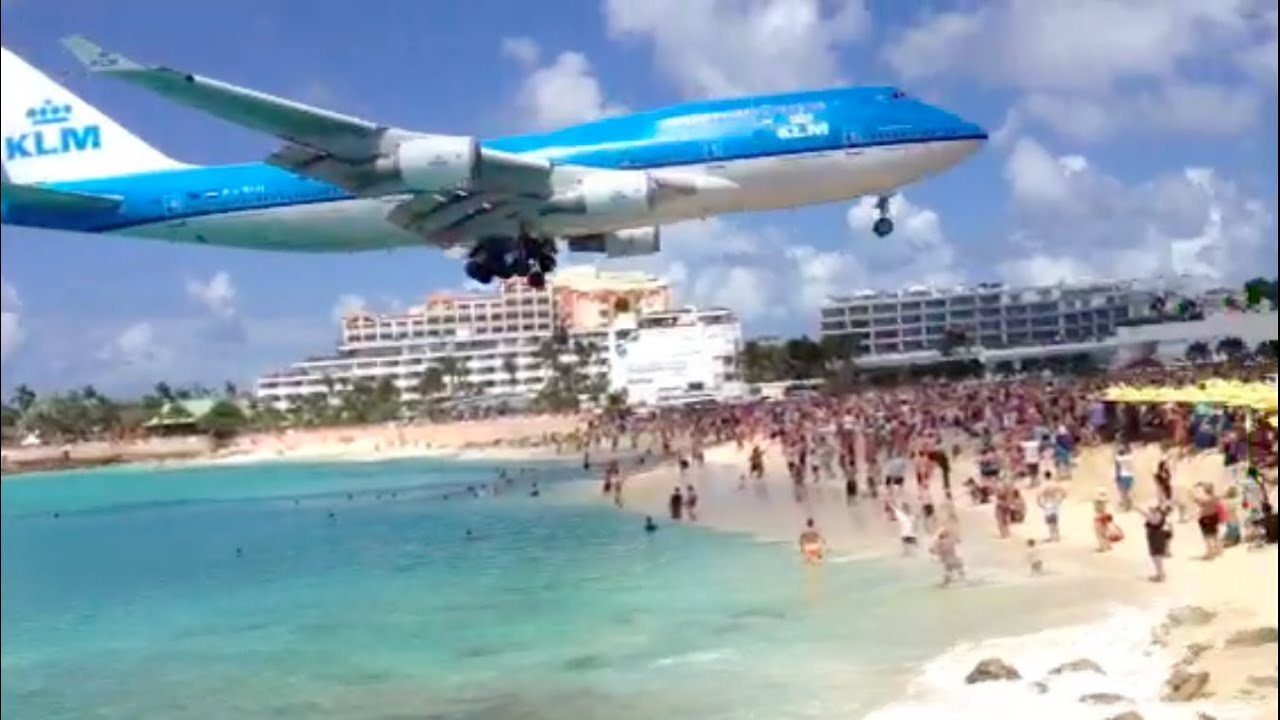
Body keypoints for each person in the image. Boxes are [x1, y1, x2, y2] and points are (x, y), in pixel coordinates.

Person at [1142, 501, 1172, 582]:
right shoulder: (1161, 514)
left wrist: (1139, 511)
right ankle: (1160, 573)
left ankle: (1160, 575)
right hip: (1157, 536)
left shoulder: (1156, 515)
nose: (1149, 509)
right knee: (1157, 557)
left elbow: (1152, 520)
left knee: (1156, 556)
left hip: (1156, 537)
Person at [1037, 476, 1065, 542]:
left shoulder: (1044, 485)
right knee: (1055, 520)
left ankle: (1052, 536)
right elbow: (1064, 493)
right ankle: (1057, 536)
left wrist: (1040, 504)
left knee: (1050, 521)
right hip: (1055, 502)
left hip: (1048, 503)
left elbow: (1038, 495)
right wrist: (1060, 500)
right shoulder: (1055, 484)